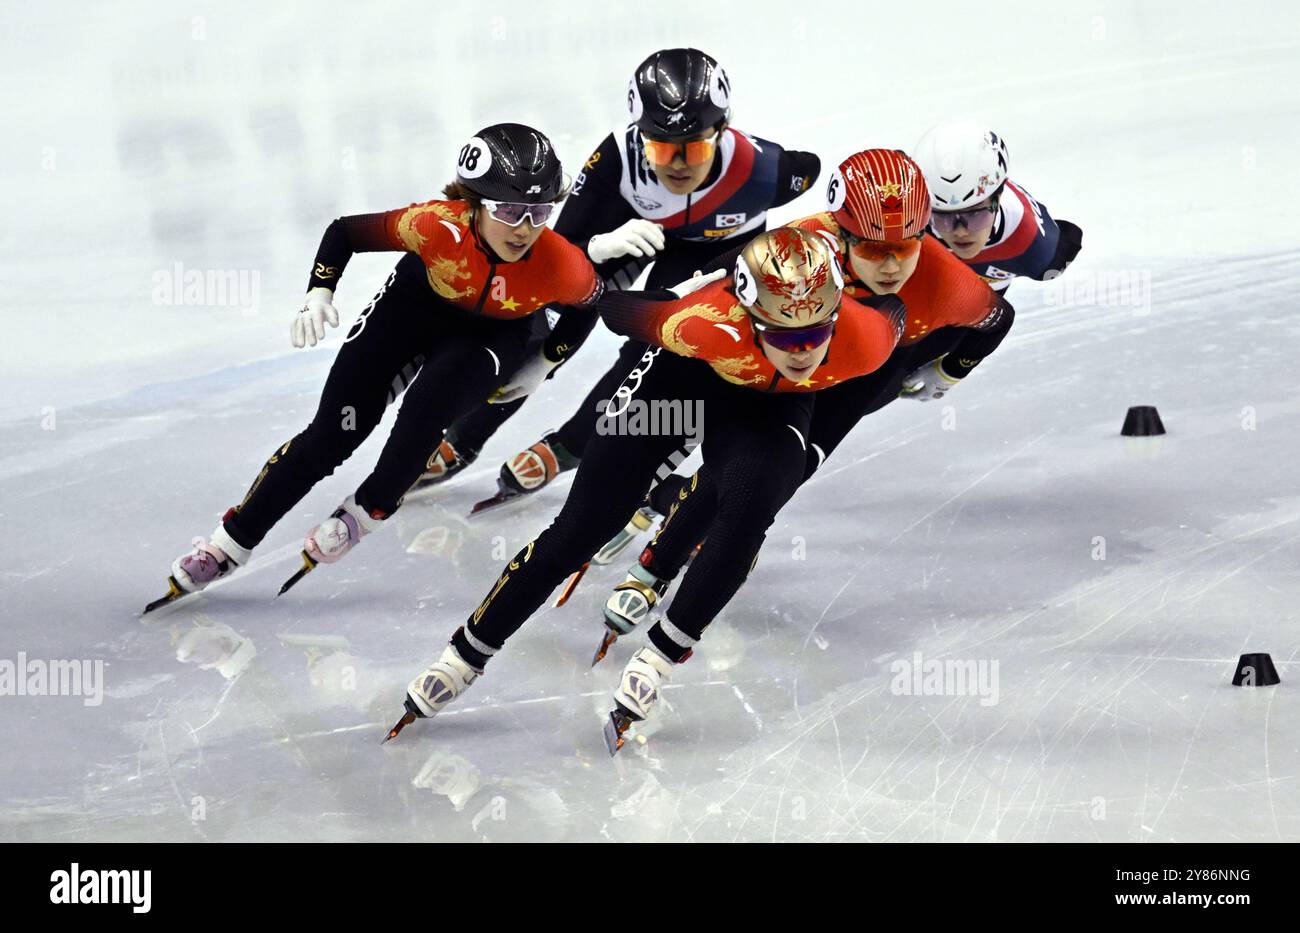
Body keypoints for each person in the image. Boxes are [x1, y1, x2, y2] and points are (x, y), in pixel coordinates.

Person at [385, 227, 905, 748]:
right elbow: (618, 311)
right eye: (785, 335)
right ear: (749, 316)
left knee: (752, 506)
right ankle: (464, 654)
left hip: (767, 408)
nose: (802, 350)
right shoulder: (702, 325)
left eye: (816, 335)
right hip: (681, 383)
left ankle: (658, 656)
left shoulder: (867, 339)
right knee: (581, 529)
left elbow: (891, 322)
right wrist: (686, 290)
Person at [147, 124, 601, 610]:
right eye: (510, 211)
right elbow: (345, 231)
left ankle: (368, 510)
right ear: (473, 203)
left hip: (494, 335)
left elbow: (590, 304)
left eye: (539, 212)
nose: (525, 228)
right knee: (331, 437)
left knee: (432, 404)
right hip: (412, 309)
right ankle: (228, 543)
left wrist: (544, 364)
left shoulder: (559, 262)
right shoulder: (434, 225)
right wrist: (318, 293)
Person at [600, 150, 1018, 652]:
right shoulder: (805, 239)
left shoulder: (950, 279)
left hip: (865, 369)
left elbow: (998, 318)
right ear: (840, 233)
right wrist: (673, 306)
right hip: (794, 352)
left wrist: (948, 372)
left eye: (904, 247)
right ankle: (659, 561)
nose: (888, 264)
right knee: (747, 457)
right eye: (869, 246)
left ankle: (667, 556)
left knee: (781, 475)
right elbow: (725, 273)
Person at [410, 47, 821, 511]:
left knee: (656, 348)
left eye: (696, 147)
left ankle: (568, 445)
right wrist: (593, 260)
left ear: (723, 132)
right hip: (625, 228)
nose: (678, 164)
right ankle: (467, 433)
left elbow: (817, 180)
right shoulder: (615, 159)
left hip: (705, 252)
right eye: (662, 147)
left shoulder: (771, 172)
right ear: (638, 136)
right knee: (544, 310)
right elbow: (548, 262)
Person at [911, 120, 1082, 292]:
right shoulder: (905, 209)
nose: (960, 232)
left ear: (999, 196)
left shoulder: (1040, 252)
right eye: (943, 217)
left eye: (975, 215)